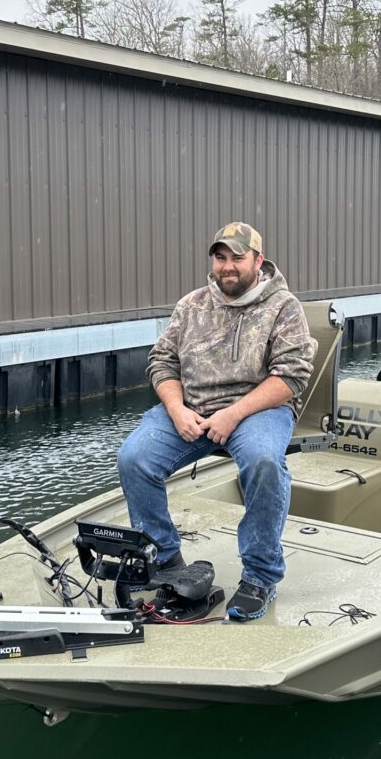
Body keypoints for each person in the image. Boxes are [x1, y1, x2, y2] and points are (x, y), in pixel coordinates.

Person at [117, 222, 317, 621]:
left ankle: (261, 575)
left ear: (258, 261)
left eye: (237, 258)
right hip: (191, 407)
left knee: (263, 463)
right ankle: (166, 559)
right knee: (134, 457)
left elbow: (292, 376)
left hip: (258, 409)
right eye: (221, 257)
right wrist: (177, 410)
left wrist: (233, 414)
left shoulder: (284, 307)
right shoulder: (191, 305)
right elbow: (162, 362)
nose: (228, 267)